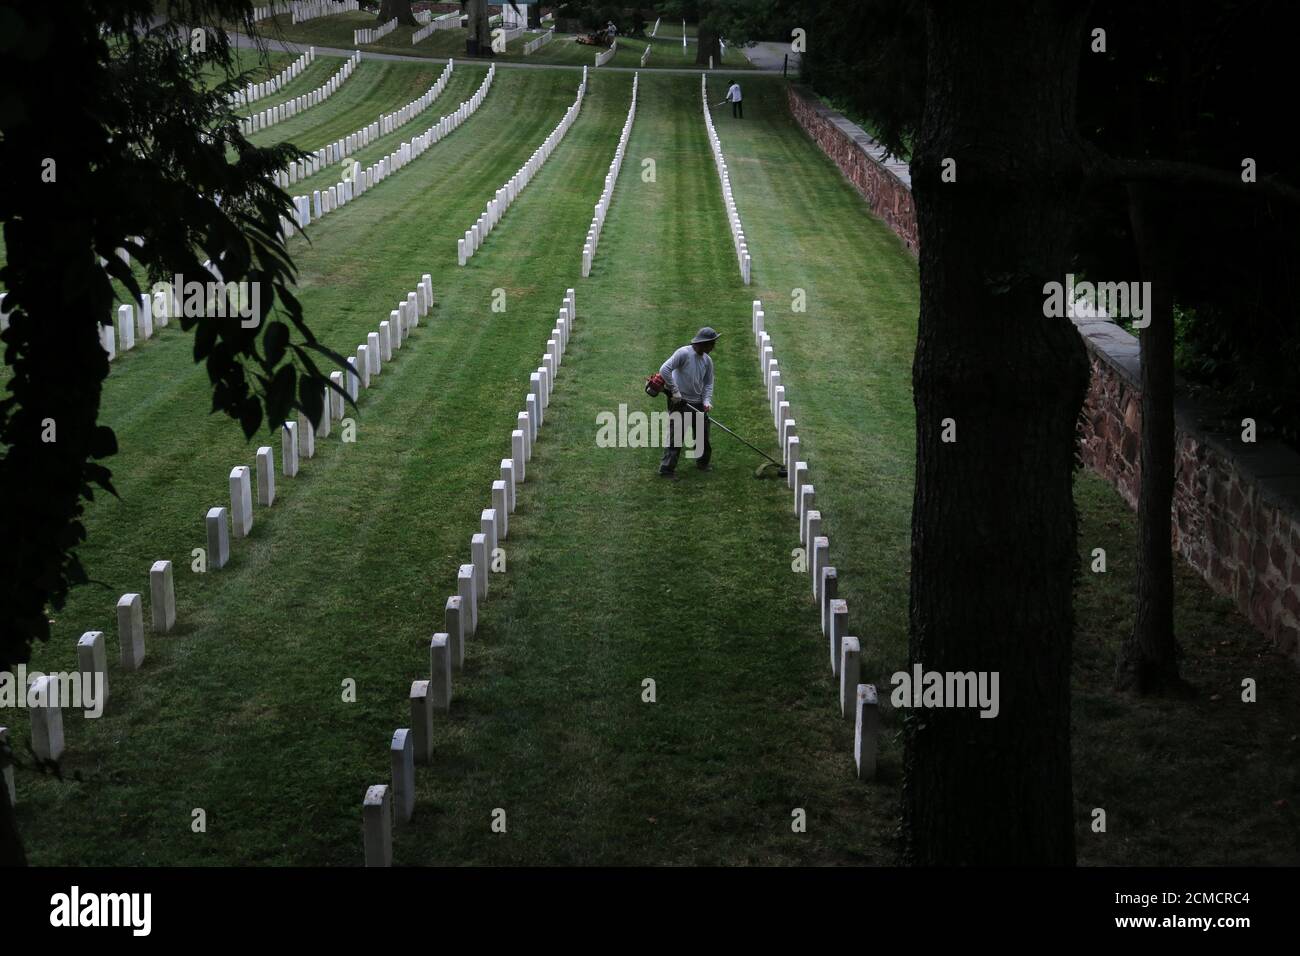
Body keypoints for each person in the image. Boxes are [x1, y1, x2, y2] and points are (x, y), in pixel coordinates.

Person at [657, 327, 719, 477]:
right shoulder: (683, 353)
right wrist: (675, 391)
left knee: (702, 434)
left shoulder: (707, 360)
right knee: (676, 436)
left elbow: (708, 382)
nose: (713, 347)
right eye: (712, 343)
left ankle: (702, 463)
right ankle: (666, 469)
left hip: (697, 402)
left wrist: (706, 401)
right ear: (704, 343)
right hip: (679, 402)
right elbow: (664, 369)